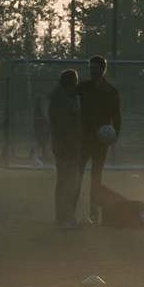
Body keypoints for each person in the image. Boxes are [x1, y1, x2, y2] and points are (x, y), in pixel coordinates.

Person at [76, 55, 121, 225]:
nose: (92, 70)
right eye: (90, 68)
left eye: (95, 68)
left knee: (96, 178)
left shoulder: (111, 91)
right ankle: (72, 211)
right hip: (83, 138)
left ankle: (94, 213)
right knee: (77, 176)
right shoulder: (83, 88)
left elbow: (116, 116)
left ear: (103, 69)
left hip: (100, 142)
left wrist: (115, 134)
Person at [48, 70, 82, 229]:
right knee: (69, 182)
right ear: (73, 83)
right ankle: (65, 219)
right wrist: (73, 143)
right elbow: (64, 126)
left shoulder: (60, 98)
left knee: (64, 182)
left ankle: (63, 217)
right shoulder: (64, 101)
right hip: (67, 146)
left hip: (62, 144)